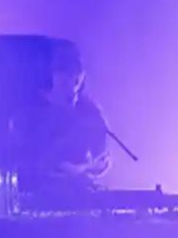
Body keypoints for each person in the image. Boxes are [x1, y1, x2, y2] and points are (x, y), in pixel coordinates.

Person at [10, 43, 111, 197]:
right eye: (64, 72)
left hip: (81, 195)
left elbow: (102, 157)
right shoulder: (27, 114)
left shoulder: (91, 112)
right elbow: (25, 162)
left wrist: (89, 168)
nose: (72, 79)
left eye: (76, 73)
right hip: (39, 196)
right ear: (50, 75)